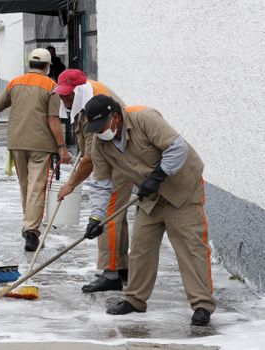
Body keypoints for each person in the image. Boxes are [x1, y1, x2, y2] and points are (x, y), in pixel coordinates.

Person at [83, 94, 215, 326]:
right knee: (141, 248)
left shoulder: (144, 118)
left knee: (191, 247)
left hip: (182, 190)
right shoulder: (100, 143)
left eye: (101, 125)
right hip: (149, 197)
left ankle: (202, 304)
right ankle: (135, 300)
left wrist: (158, 176)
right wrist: (96, 217)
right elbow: (102, 184)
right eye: (94, 128)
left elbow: (177, 147)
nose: (99, 132)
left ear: (115, 117)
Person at [0, 48, 71, 251]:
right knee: (36, 188)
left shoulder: (15, 82)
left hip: (17, 142)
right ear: (48, 65)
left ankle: (28, 226)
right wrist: (62, 147)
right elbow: (52, 119)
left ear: (29, 64)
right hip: (40, 144)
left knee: (26, 186)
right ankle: (32, 232)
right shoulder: (51, 85)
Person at [54, 69, 131, 292]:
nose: (64, 100)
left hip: (117, 163)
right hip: (113, 160)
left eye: (68, 96)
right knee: (117, 216)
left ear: (78, 91)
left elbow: (90, 159)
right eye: (61, 95)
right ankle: (122, 267)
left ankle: (111, 273)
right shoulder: (83, 97)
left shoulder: (95, 107)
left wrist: (70, 184)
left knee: (107, 215)